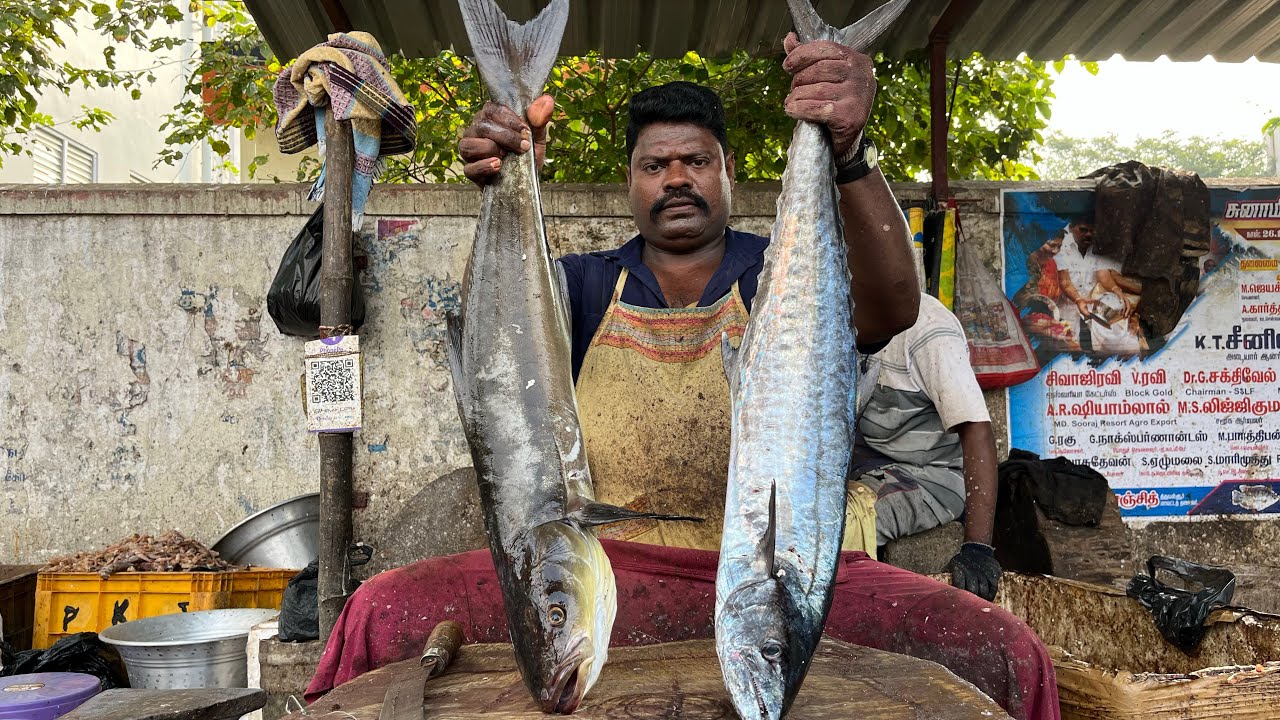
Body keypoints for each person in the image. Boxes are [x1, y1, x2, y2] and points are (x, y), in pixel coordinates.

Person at [306, 34, 1059, 720]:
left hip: (782, 578)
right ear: (628, 182)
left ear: (728, 172)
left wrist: (850, 152)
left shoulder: (784, 274)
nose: (675, 179)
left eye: (696, 162)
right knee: (375, 612)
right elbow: (498, 350)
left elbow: (894, 305)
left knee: (1008, 650)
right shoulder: (583, 285)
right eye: (654, 165)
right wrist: (507, 178)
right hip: (617, 570)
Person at [852, 292, 1001, 601]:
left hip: (930, 475)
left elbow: (977, 430)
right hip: (867, 459)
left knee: (838, 529)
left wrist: (978, 548)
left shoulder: (930, 331)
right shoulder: (834, 316)